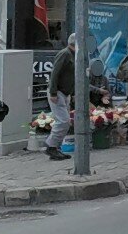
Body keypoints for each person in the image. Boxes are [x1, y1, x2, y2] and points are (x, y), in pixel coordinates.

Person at [45, 33, 76, 161]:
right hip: (58, 93)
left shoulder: (72, 55)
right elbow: (55, 73)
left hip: (64, 93)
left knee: (64, 121)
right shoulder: (65, 54)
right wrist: (53, 92)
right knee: (63, 121)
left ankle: (55, 147)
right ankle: (51, 146)